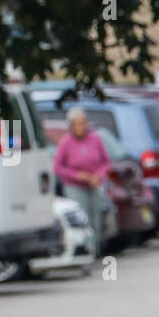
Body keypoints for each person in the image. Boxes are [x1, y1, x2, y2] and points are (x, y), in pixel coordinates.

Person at [53, 108, 111, 257]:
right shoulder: (66, 142)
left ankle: (94, 250)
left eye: (83, 123)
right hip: (75, 186)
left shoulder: (95, 139)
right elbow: (58, 167)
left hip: (94, 184)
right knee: (81, 218)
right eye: (77, 124)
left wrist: (98, 175)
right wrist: (77, 175)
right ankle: (82, 250)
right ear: (71, 126)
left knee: (95, 218)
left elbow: (106, 162)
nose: (81, 127)